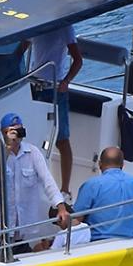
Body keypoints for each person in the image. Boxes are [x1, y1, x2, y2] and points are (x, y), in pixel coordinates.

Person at [0, 112, 70, 251]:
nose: (16, 134)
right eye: (12, 130)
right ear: (3, 132)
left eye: (19, 129)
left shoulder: (33, 152)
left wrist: (61, 207)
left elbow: (47, 180)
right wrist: (8, 148)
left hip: (23, 228)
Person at [24, 23, 83, 192]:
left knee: (62, 140)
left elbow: (78, 60)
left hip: (55, 89)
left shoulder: (65, 26)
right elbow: (21, 48)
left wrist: (66, 82)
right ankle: (31, 181)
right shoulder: (37, 22)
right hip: (34, 86)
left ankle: (65, 189)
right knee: (32, 137)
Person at [71, 145, 133, 241]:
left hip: (98, 242)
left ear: (99, 164)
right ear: (122, 164)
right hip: (129, 241)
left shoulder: (91, 185)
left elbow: (76, 218)